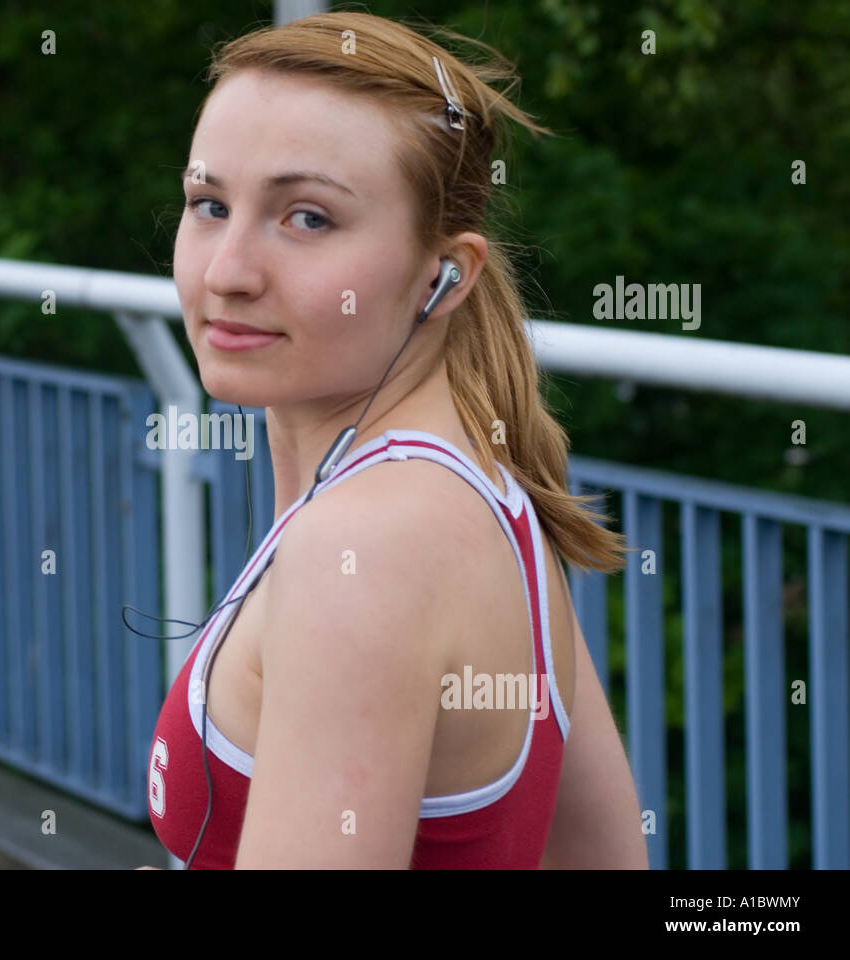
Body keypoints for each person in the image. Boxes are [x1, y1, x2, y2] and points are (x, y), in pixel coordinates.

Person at [143, 11, 647, 869]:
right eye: (210, 204)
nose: (227, 271)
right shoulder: (488, 493)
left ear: (444, 277)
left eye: (307, 219)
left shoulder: (368, 550)